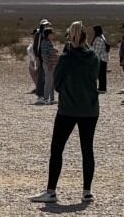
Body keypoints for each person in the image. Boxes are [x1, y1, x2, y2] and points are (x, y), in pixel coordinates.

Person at [46, 22, 100, 204]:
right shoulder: (93, 57)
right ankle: (87, 191)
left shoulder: (66, 58)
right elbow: (95, 78)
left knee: (57, 149)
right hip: (90, 109)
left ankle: (51, 191)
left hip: (68, 109)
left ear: (70, 37)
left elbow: (57, 82)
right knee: (87, 149)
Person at [37, 25, 59, 105]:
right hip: (48, 65)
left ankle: (52, 98)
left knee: (52, 81)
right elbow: (44, 55)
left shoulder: (49, 42)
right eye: (51, 33)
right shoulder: (44, 42)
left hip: (51, 64)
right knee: (48, 81)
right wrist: (49, 64)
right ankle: (46, 98)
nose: (53, 35)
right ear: (48, 34)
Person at [91, 26, 110, 93]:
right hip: (102, 59)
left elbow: (96, 51)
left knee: (101, 74)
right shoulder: (102, 37)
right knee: (101, 74)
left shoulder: (99, 39)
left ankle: (102, 88)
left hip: (101, 59)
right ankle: (102, 88)